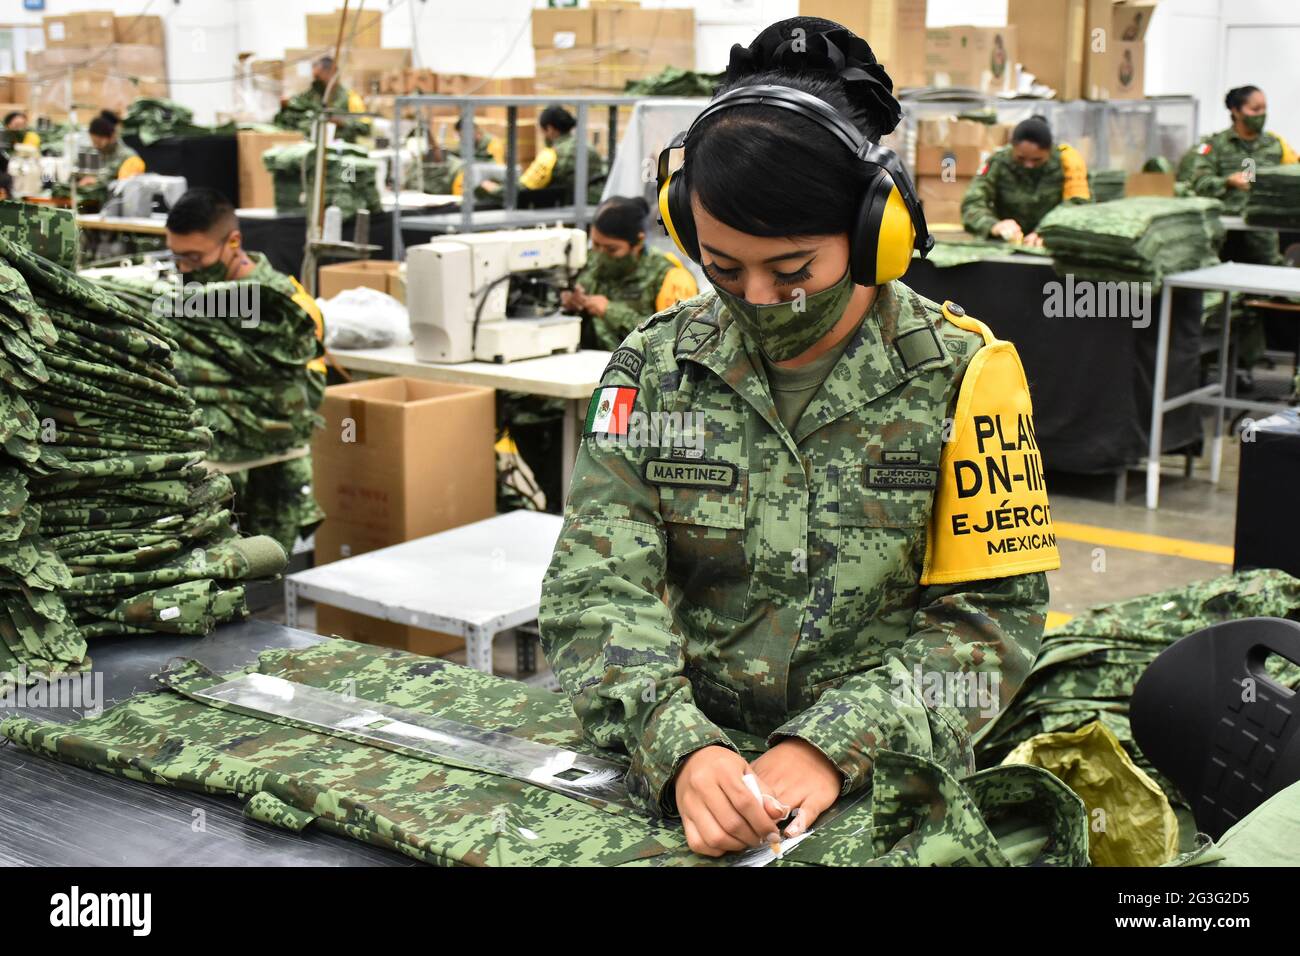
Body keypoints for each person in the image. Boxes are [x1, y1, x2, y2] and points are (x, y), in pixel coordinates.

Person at [539, 17, 1059, 858]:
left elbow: (989, 625)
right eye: (722, 267)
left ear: (871, 235)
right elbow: (595, 588)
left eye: (792, 272)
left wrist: (834, 743)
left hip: (889, 781)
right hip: (689, 780)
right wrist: (678, 743)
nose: (755, 297)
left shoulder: (966, 376)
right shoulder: (650, 368)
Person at [165, 187, 327, 548]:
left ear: (233, 241)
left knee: (266, 558)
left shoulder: (286, 307)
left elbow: (308, 393)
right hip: (210, 459)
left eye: (193, 257)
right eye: (177, 257)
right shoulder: (190, 298)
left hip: (272, 461)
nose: (184, 268)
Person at [562, 196, 699, 350]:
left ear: (638, 242)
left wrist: (610, 311)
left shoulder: (670, 278)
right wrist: (568, 302)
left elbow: (676, 338)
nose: (600, 255)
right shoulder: (588, 260)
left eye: (611, 249)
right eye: (596, 244)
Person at [1179, 85, 1296, 266]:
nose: (1261, 114)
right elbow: (1197, 184)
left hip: (1263, 238)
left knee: (1266, 286)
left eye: (1264, 109)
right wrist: (1227, 182)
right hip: (1224, 234)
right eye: (1255, 109)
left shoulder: (1275, 145)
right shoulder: (1214, 146)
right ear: (1236, 111)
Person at [961, 115, 1090, 247]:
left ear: (1049, 150)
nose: (1028, 165)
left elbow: (1079, 207)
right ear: (1013, 147)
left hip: (1052, 243)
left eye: (1037, 160)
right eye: (1021, 158)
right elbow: (972, 204)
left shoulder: (1067, 163)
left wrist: (1051, 231)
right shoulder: (998, 162)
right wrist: (993, 225)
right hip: (1006, 243)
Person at [516, 104, 608, 204]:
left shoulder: (553, 154)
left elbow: (528, 185)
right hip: (595, 203)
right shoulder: (587, 145)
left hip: (568, 208)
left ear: (550, 129)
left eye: (543, 131)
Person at [80, 110, 145, 191]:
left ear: (112, 137)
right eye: (93, 142)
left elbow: (128, 185)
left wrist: (97, 180)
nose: (95, 146)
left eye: (99, 142)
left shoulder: (128, 156)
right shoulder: (94, 152)